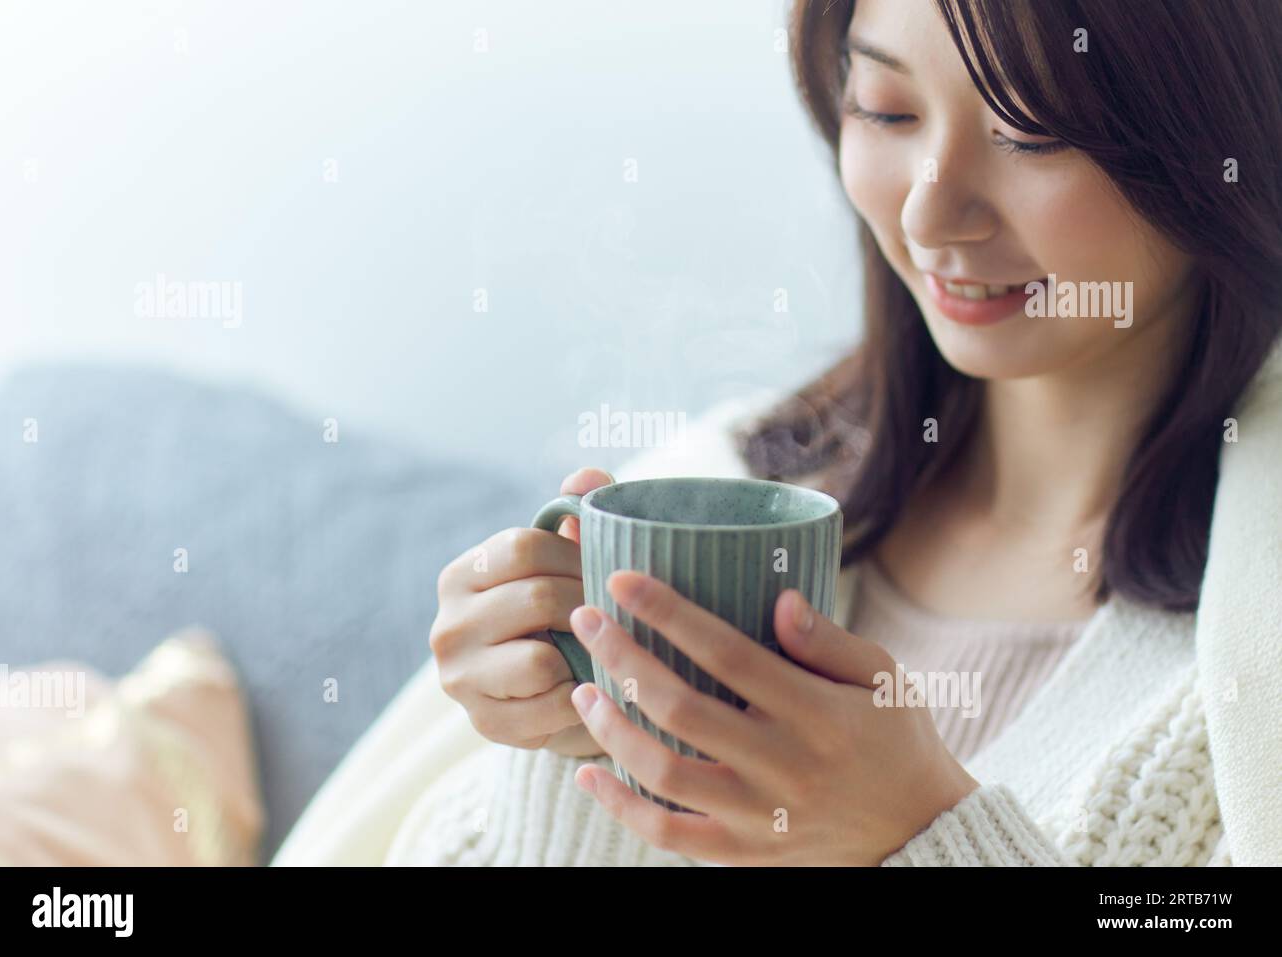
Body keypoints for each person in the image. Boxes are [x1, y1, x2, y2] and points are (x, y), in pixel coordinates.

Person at [272, 0, 1282, 866]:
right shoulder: (729, 478)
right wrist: (580, 742)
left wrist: (927, 835)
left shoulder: (1245, 642)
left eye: (1031, 130)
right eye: (886, 109)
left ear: (1217, 129)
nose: (932, 210)